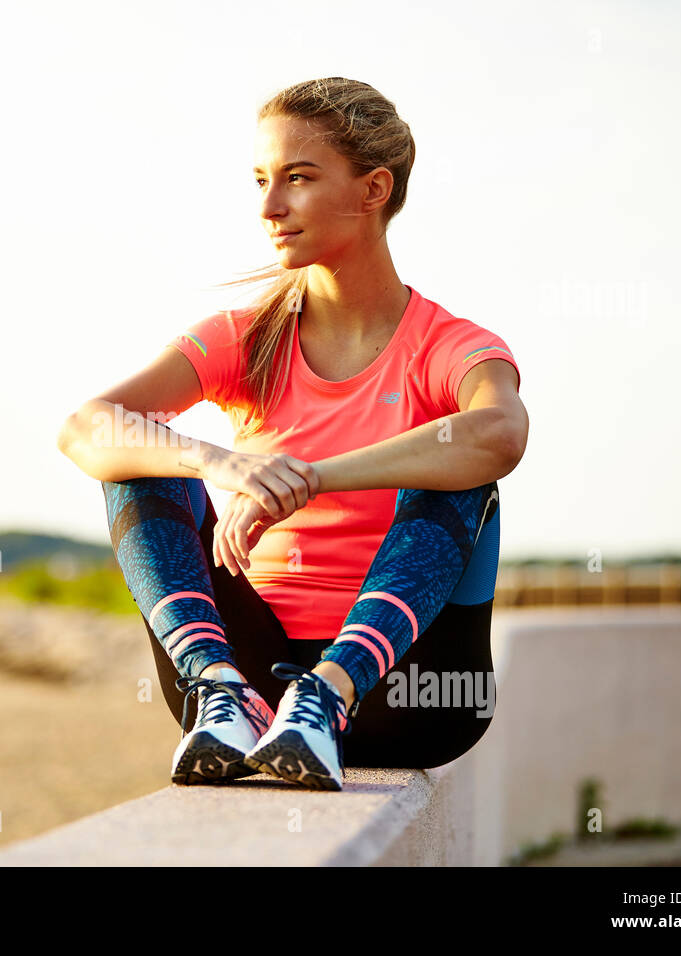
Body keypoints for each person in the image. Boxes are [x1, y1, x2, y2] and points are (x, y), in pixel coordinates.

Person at [56, 77, 528, 791]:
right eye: (261, 181)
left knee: (463, 470)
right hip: (249, 689)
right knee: (138, 453)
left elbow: (499, 434)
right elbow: (85, 426)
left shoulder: (448, 345)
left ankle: (327, 694)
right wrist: (224, 463)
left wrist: (310, 474)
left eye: (298, 179)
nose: (270, 208)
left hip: (405, 695)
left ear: (374, 190)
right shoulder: (246, 338)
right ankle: (219, 689)